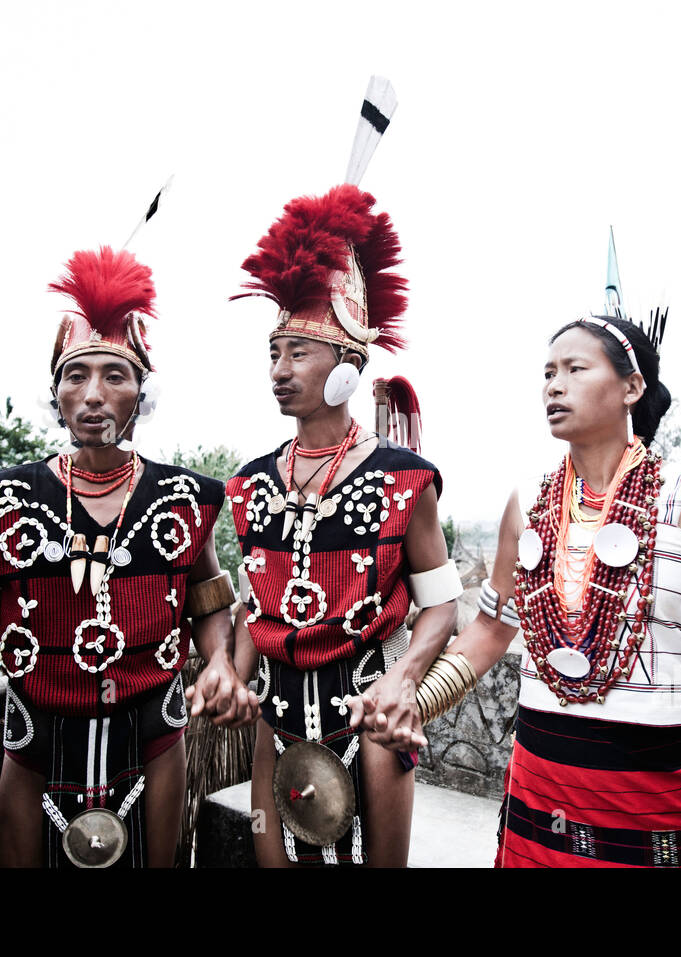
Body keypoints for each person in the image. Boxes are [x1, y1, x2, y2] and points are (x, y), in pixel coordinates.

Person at [434, 238, 681, 867]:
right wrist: (415, 696)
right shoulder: (529, 501)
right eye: (547, 372)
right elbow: (489, 628)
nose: (554, 385)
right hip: (542, 774)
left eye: (575, 369)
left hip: (653, 790)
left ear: (631, 388)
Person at [0, 246, 255, 867]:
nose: (93, 393)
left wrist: (220, 660)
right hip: (33, 738)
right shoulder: (1, 501)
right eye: (76, 375)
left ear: (141, 394)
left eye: (114, 376)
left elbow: (209, 602)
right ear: (55, 394)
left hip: (154, 737)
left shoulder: (188, 498)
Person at [227, 79, 461, 866]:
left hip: (369, 726)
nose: (279, 368)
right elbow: (252, 610)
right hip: (273, 730)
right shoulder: (250, 480)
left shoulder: (404, 479)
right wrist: (230, 676)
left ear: (348, 363)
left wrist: (408, 679)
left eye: (298, 351)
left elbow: (442, 608)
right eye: (273, 351)